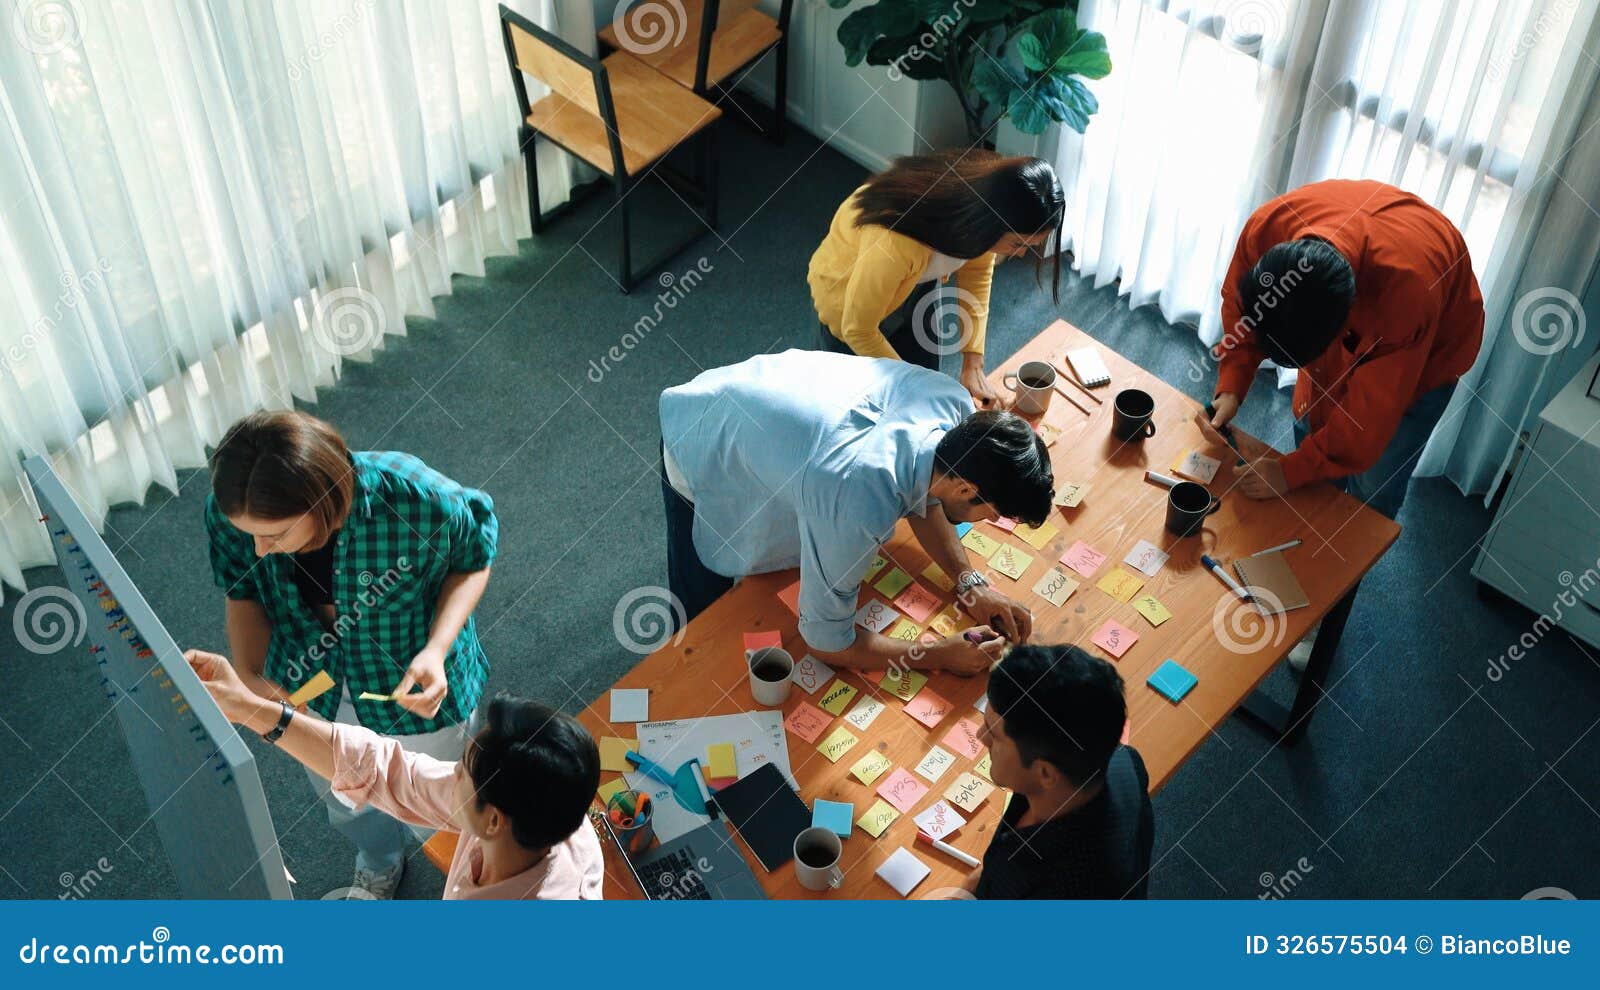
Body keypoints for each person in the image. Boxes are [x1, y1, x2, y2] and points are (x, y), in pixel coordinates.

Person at [204, 410, 498, 899]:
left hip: (416, 689)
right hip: (312, 683)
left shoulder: (421, 500)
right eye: (249, 533)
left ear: (323, 500)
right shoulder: (234, 511)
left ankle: (459, 879)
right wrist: (251, 676)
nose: (258, 549)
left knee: (445, 803)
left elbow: (473, 562)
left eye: (273, 535)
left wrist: (436, 648)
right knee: (344, 797)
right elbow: (244, 590)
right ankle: (379, 860)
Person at [658, 349, 1053, 673]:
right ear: (968, 489)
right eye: (995, 514)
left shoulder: (952, 404)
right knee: (702, 614)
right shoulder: (856, 502)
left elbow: (928, 492)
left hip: (775, 401)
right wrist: (937, 655)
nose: (991, 522)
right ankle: (674, 660)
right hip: (705, 437)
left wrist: (971, 584)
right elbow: (826, 642)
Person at [185, 650, 603, 900]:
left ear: (494, 819)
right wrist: (249, 708)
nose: (449, 774)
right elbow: (382, 768)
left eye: (462, 772)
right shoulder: (541, 815)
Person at [1203, 178, 1484, 519]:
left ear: (1338, 329)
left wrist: (1287, 472)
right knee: (1311, 425)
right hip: (1367, 287)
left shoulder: (1405, 300)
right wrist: (1231, 387)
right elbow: (1243, 315)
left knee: (1375, 482)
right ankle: (1308, 536)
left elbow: (1365, 427)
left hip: (1432, 346)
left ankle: (1349, 563)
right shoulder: (1267, 230)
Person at [808, 150, 1066, 409]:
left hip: (915, 286)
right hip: (848, 302)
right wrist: (918, 388)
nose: (1020, 254)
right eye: (1017, 243)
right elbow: (858, 328)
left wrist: (973, 361)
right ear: (991, 221)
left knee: (922, 383)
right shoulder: (895, 241)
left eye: (1028, 246)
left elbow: (976, 272)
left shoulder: (981, 201)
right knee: (857, 405)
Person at [965, 644, 1154, 899]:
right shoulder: (1122, 758)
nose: (980, 736)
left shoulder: (1054, 889)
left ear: (1045, 773)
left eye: (994, 734)